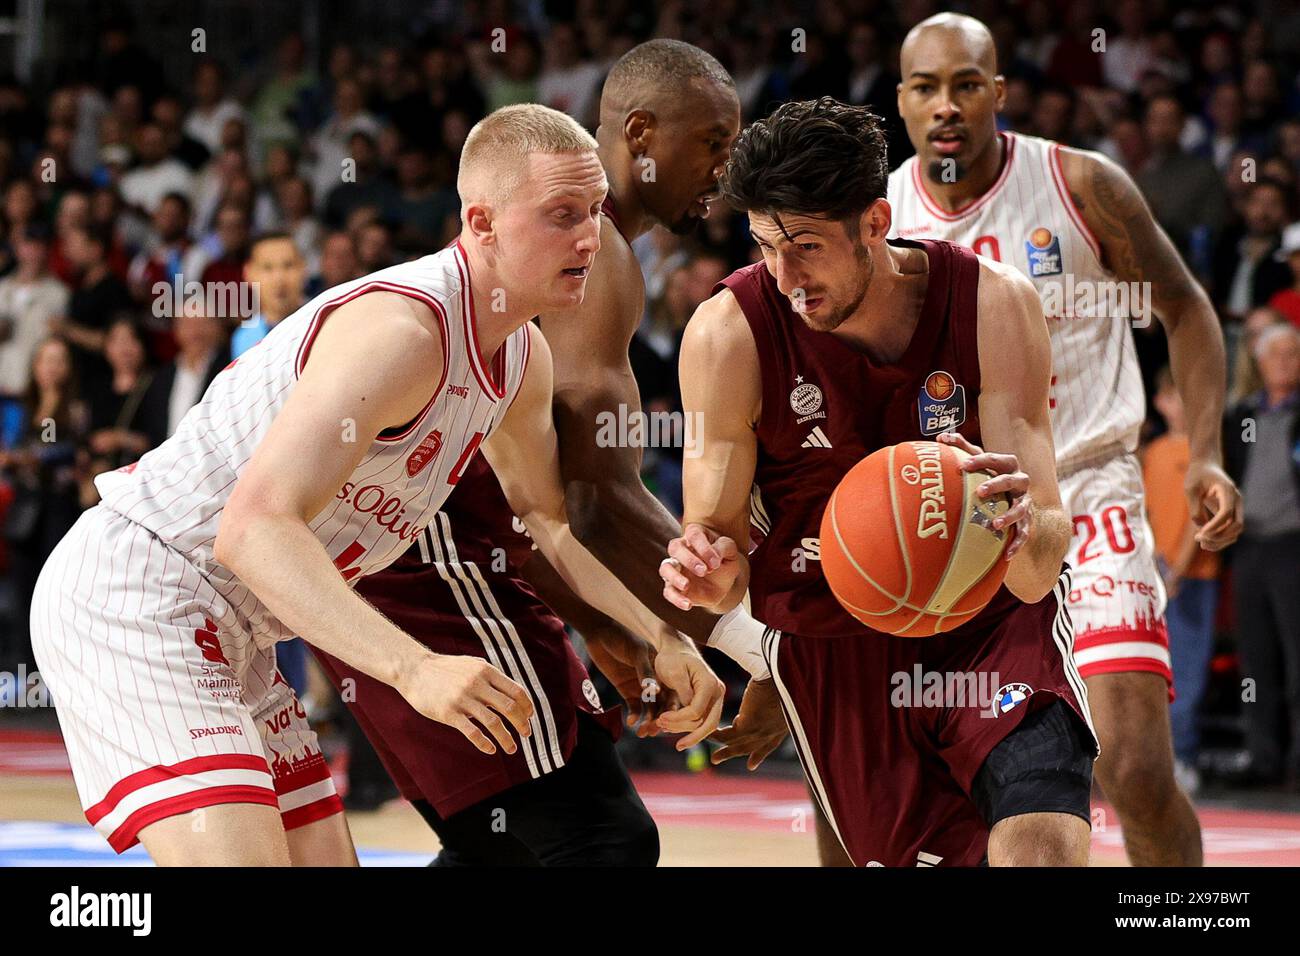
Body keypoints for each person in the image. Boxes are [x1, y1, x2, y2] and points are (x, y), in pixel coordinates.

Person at [29, 103, 724, 866]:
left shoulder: (520, 356)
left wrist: (659, 634)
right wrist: (412, 666)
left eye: (594, 211)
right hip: (141, 588)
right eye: (562, 214)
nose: (590, 236)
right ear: (482, 222)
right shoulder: (404, 333)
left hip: (242, 630)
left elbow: (546, 525)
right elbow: (252, 528)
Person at [319, 39, 756, 866]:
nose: (724, 168)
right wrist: (752, 638)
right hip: (429, 553)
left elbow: (556, 508)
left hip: (425, 552)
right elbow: (594, 499)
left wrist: (610, 622)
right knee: (598, 837)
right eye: (711, 141)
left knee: (514, 846)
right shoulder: (599, 263)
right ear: (639, 134)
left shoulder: (587, 261)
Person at [661, 97, 1098, 868]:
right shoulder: (728, 333)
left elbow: (1039, 565)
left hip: (990, 625)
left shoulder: (993, 302)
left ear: (874, 222)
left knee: (1042, 847)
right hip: (836, 646)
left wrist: (1030, 533)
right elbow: (721, 556)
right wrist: (710, 571)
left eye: (806, 246)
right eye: (766, 245)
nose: (786, 275)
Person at [885, 13, 1242, 866]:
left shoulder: (1081, 185)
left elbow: (1187, 306)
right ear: (900, 100)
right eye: (926, 87)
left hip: (1086, 488)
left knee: (1134, 768)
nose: (946, 105)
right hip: (957, 513)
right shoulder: (883, 212)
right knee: (952, 784)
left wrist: (1207, 451)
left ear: (998, 93)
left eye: (966, 85)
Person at [1223, 323, 1300, 785]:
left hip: (1294, 547)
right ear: (1260, 359)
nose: (1286, 361)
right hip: (1250, 550)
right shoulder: (1242, 415)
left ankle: (1297, 761)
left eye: (1293, 353)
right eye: (1278, 354)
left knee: (1297, 660)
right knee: (1254, 663)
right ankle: (1262, 757)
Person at [1144, 368, 1221, 793]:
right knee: (1157, 670)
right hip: (1155, 574)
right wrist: (1154, 564)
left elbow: (1202, 517)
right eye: (1174, 397)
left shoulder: (1205, 452)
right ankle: (1157, 757)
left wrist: (1180, 568)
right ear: (1160, 403)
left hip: (1192, 579)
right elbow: (1146, 513)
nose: (1180, 406)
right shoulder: (1153, 452)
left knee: (1188, 670)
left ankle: (1185, 757)